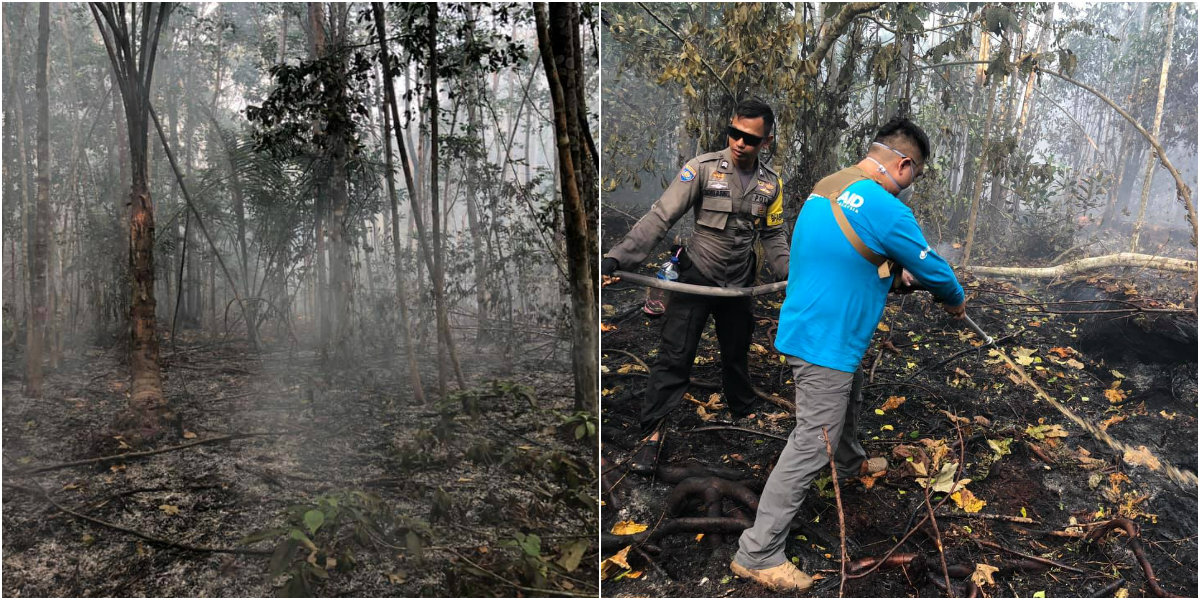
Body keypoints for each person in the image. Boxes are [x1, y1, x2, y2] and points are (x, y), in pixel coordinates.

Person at [730, 117, 967, 591]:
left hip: (813, 326)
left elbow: (844, 252)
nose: (908, 189)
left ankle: (849, 463)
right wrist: (955, 300)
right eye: (912, 177)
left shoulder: (830, 185)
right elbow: (934, 268)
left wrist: (893, 279)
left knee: (849, 398)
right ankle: (757, 552)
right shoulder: (886, 207)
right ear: (902, 164)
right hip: (826, 341)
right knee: (812, 440)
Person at [601, 99, 791, 473]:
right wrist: (618, 258)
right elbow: (661, 216)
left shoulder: (771, 184)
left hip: (738, 283)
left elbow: (773, 236)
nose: (739, 143)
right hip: (697, 276)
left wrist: (790, 274)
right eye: (734, 133)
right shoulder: (701, 169)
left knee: (736, 350)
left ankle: (742, 408)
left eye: (750, 139)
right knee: (675, 354)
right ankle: (652, 432)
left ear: (765, 142)